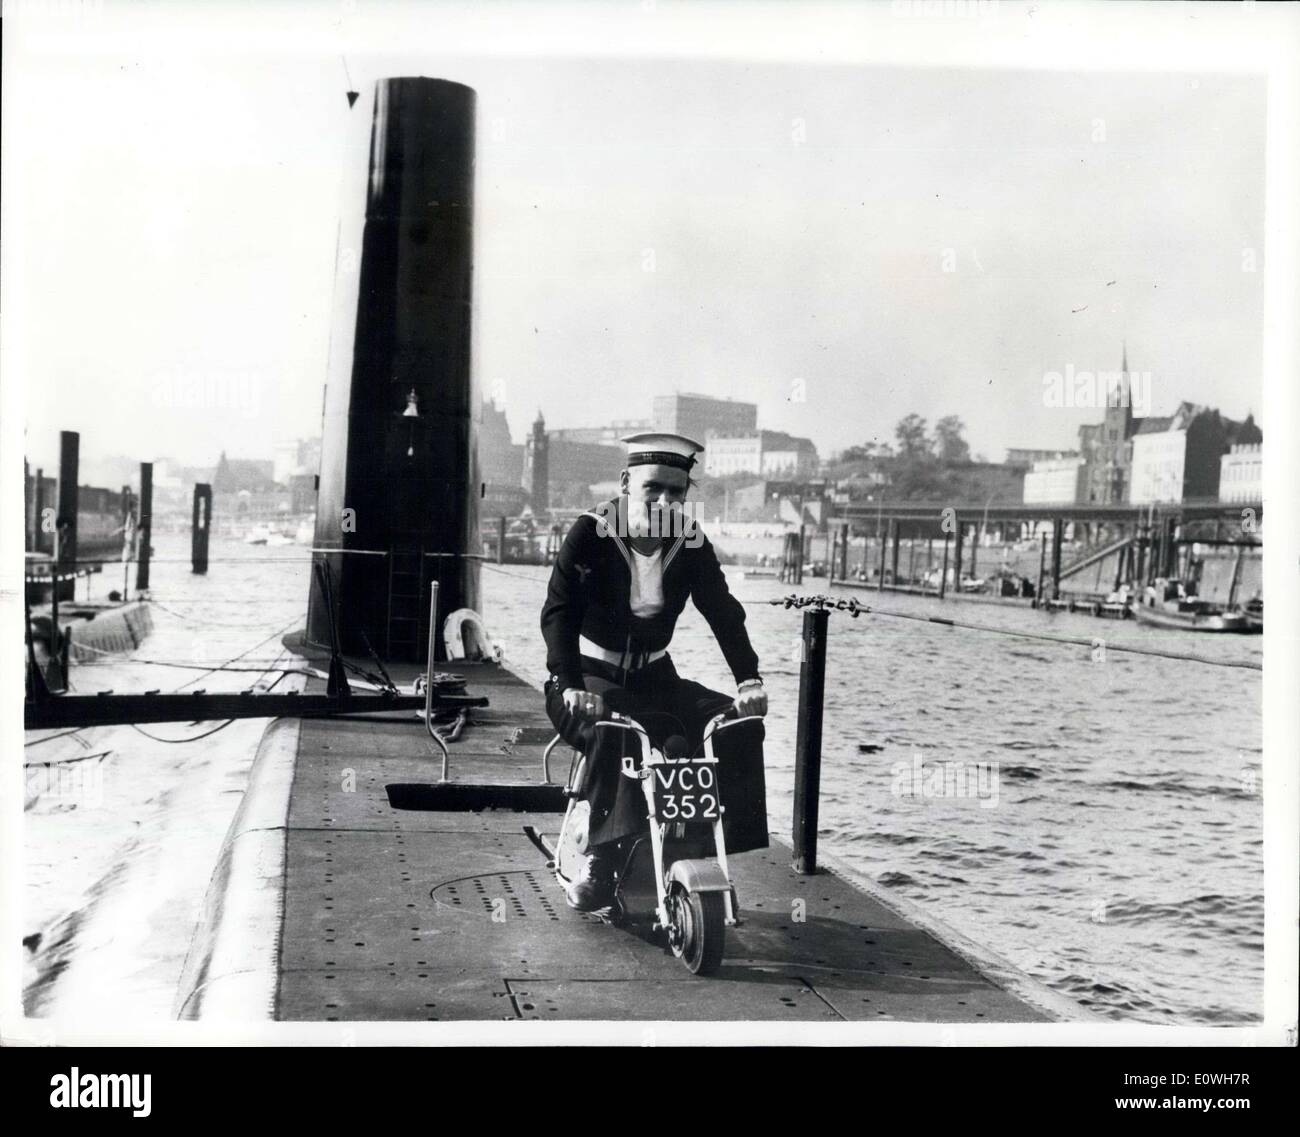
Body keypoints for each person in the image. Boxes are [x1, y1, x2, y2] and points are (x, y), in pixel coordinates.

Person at [540, 432, 769, 911]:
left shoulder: (689, 541)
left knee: (733, 725)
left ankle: (703, 850)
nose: (665, 500)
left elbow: (723, 611)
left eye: (677, 491)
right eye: (653, 489)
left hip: (655, 678)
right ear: (626, 483)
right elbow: (559, 613)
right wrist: (569, 686)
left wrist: (749, 681)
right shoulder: (591, 533)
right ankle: (602, 859)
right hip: (587, 675)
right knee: (618, 729)